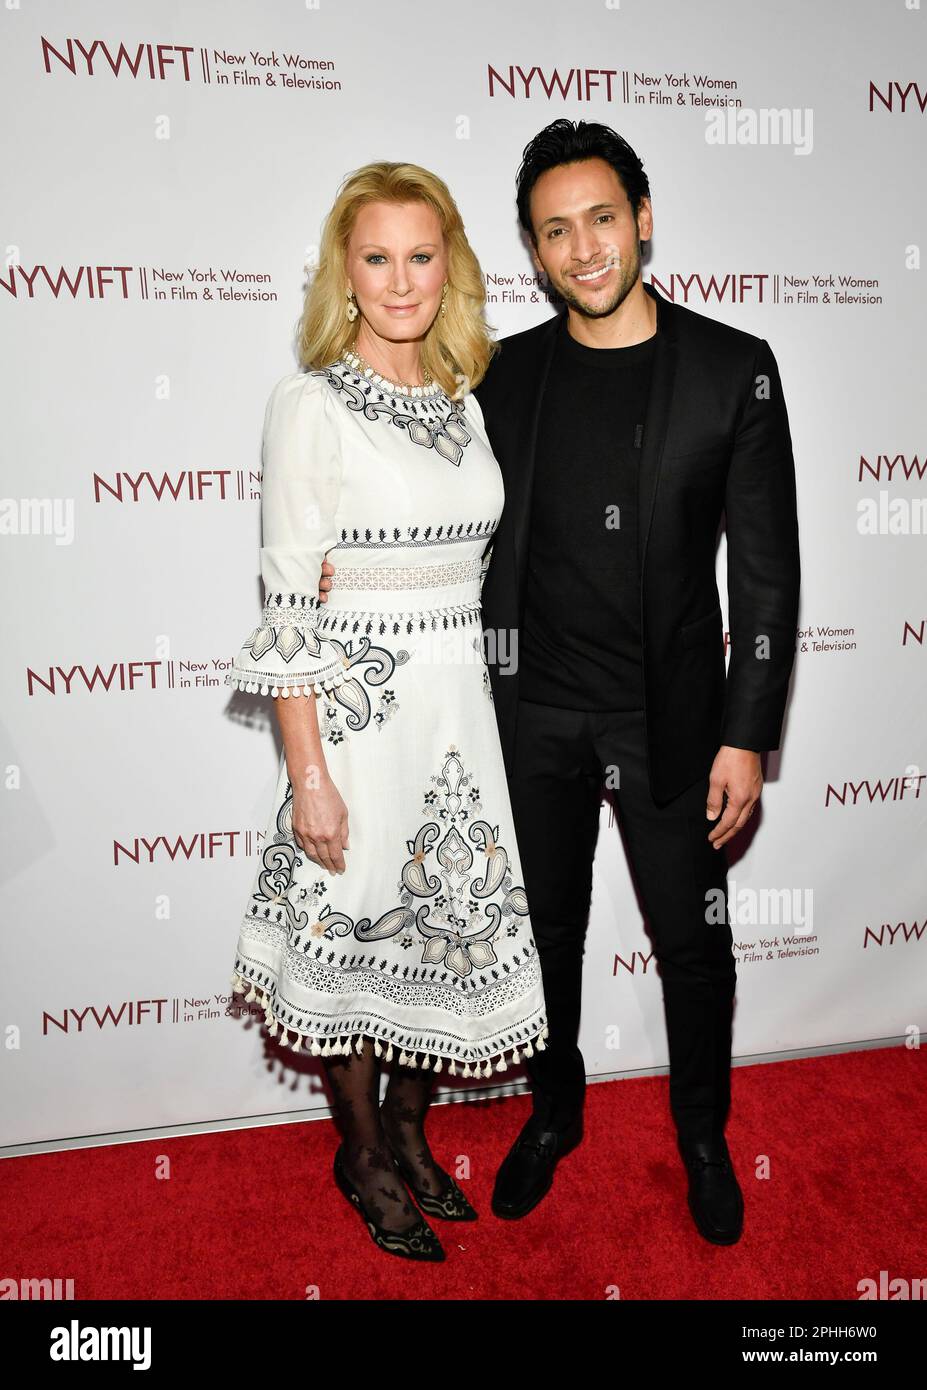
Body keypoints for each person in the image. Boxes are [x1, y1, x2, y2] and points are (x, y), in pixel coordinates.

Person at [320, 120, 802, 1248]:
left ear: (642, 219)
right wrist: (344, 555)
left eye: (600, 218)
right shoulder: (504, 372)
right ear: (533, 251)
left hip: (673, 716)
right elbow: (423, 491)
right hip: (526, 711)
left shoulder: (736, 367)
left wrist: (748, 735)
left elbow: (768, 574)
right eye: (555, 230)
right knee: (547, 936)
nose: (583, 248)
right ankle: (555, 1110)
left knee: (692, 941)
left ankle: (701, 1135)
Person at [228, 161, 549, 1262]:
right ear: (345, 273)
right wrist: (307, 772)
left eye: (423, 255)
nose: (402, 279)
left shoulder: (464, 401)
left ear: (449, 265)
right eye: (378, 257)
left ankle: (412, 1130)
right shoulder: (309, 403)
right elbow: (285, 602)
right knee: (357, 928)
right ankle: (361, 1151)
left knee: (446, 929)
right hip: (359, 724)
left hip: (457, 714)